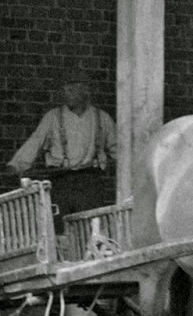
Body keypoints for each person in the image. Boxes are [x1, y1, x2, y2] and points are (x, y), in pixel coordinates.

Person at [7, 77, 117, 216]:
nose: (67, 94)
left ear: (84, 91)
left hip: (89, 181)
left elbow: (119, 149)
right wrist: (16, 165)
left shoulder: (102, 118)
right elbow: (35, 142)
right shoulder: (53, 117)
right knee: (59, 225)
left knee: (90, 226)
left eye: (72, 89)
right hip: (61, 180)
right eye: (65, 90)